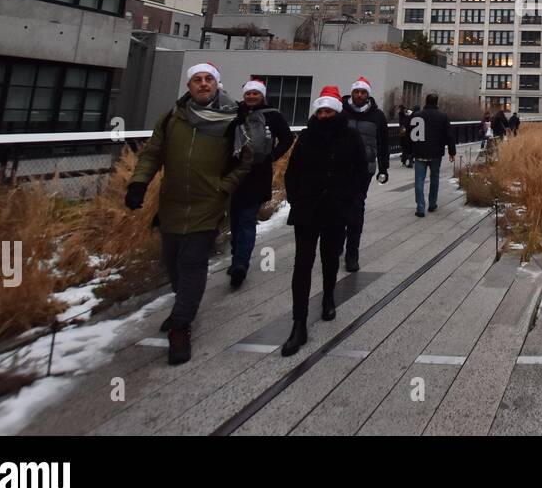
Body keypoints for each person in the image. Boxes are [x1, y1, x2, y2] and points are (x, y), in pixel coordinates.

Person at [126, 63, 254, 366]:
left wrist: (223, 188)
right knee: (171, 259)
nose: (203, 84)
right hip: (171, 201)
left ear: (218, 84)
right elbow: (152, 153)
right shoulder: (172, 118)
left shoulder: (233, 118)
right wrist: (138, 183)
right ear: (189, 86)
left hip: (207, 203)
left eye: (209, 79)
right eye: (197, 79)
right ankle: (183, 305)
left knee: (193, 261)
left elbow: (246, 159)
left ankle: (181, 324)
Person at [281, 86, 368, 356]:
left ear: (337, 111)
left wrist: (348, 199)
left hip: (335, 209)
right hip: (307, 209)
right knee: (302, 264)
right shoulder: (307, 137)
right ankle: (299, 322)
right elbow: (292, 172)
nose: (324, 115)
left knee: (330, 258)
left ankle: (329, 296)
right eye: (320, 111)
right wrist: (297, 199)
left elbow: (360, 171)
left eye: (329, 110)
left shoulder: (351, 137)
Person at [227, 79, 293, 289]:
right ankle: (237, 254)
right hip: (233, 172)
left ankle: (240, 263)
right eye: (249, 94)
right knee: (235, 218)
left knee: (247, 218)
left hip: (258, 172)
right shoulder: (234, 113)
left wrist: (271, 156)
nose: (252, 97)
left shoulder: (272, 115)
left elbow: (287, 138)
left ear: (262, 95)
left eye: (256, 93)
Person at [341, 76, 389, 272]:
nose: (359, 95)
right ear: (352, 93)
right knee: (338, 207)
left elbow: (383, 143)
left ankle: (352, 253)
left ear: (368, 94)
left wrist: (384, 168)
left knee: (356, 209)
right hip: (341, 168)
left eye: (363, 92)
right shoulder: (341, 112)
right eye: (356, 92)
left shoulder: (377, 116)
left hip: (364, 170)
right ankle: (337, 240)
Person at [408, 93, 455, 217]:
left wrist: (409, 151)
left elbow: (410, 135)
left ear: (426, 101)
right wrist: (452, 151)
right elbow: (449, 135)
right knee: (434, 178)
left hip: (419, 152)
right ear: (436, 102)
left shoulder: (417, 116)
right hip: (435, 153)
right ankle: (432, 203)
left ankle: (420, 207)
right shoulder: (443, 117)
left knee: (419, 180)